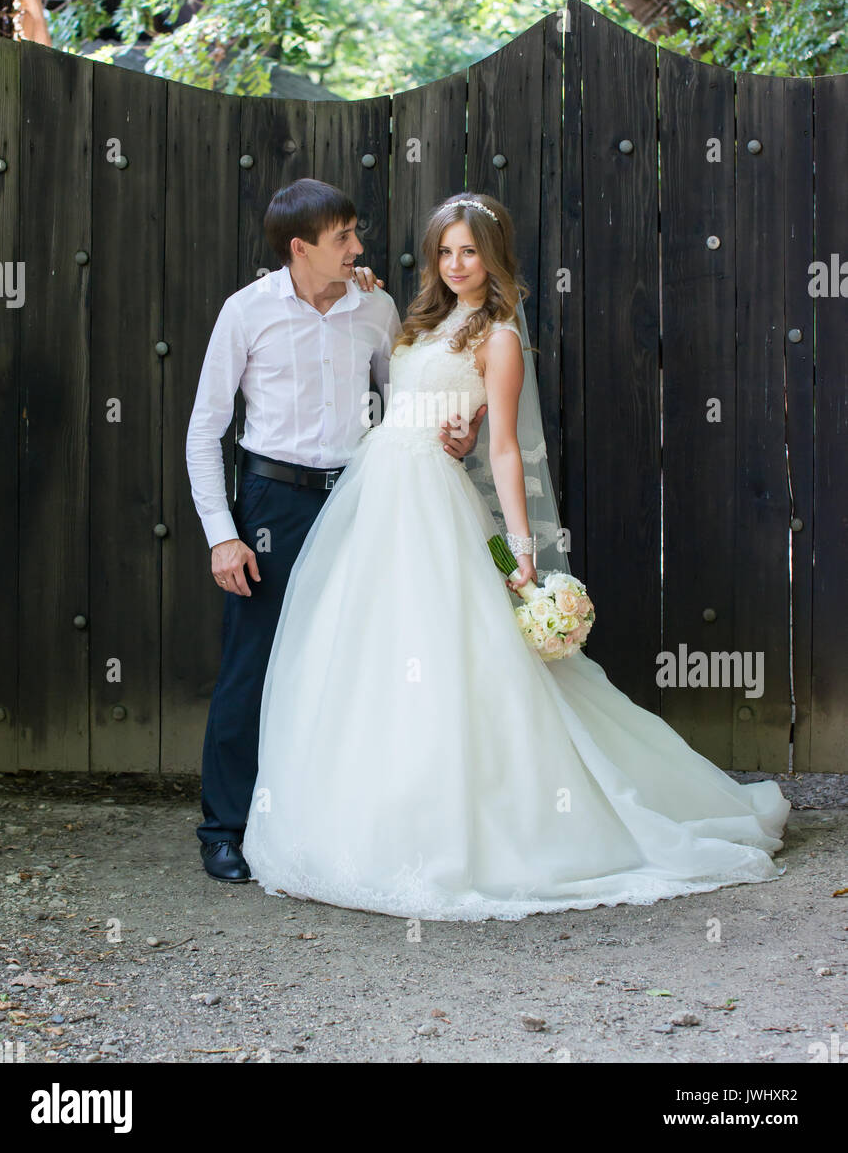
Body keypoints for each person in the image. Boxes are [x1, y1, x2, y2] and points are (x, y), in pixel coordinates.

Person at [241, 192, 791, 921]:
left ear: (492, 257)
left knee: (452, 657)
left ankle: (475, 824)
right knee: (364, 651)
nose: (455, 264)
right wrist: (363, 286)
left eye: (469, 251)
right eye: (444, 251)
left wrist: (519, 548)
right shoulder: (414, 321)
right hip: (374, 493)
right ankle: (365, 814)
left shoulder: (497, 338)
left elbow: (500, 444)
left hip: (433, 502)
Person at [185, 179, 486, 882]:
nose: (357, 247)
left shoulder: (376, 306)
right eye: (343, 238)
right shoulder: (246, 312)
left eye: (355, 232)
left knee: (356, 661)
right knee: (251, 665)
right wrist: (221, 534)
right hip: (271, 505)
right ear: (300, 249)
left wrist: (458, 428)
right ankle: (224, 829)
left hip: (362, 498)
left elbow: (403, 393)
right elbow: (205, 430)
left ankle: (329, 822)